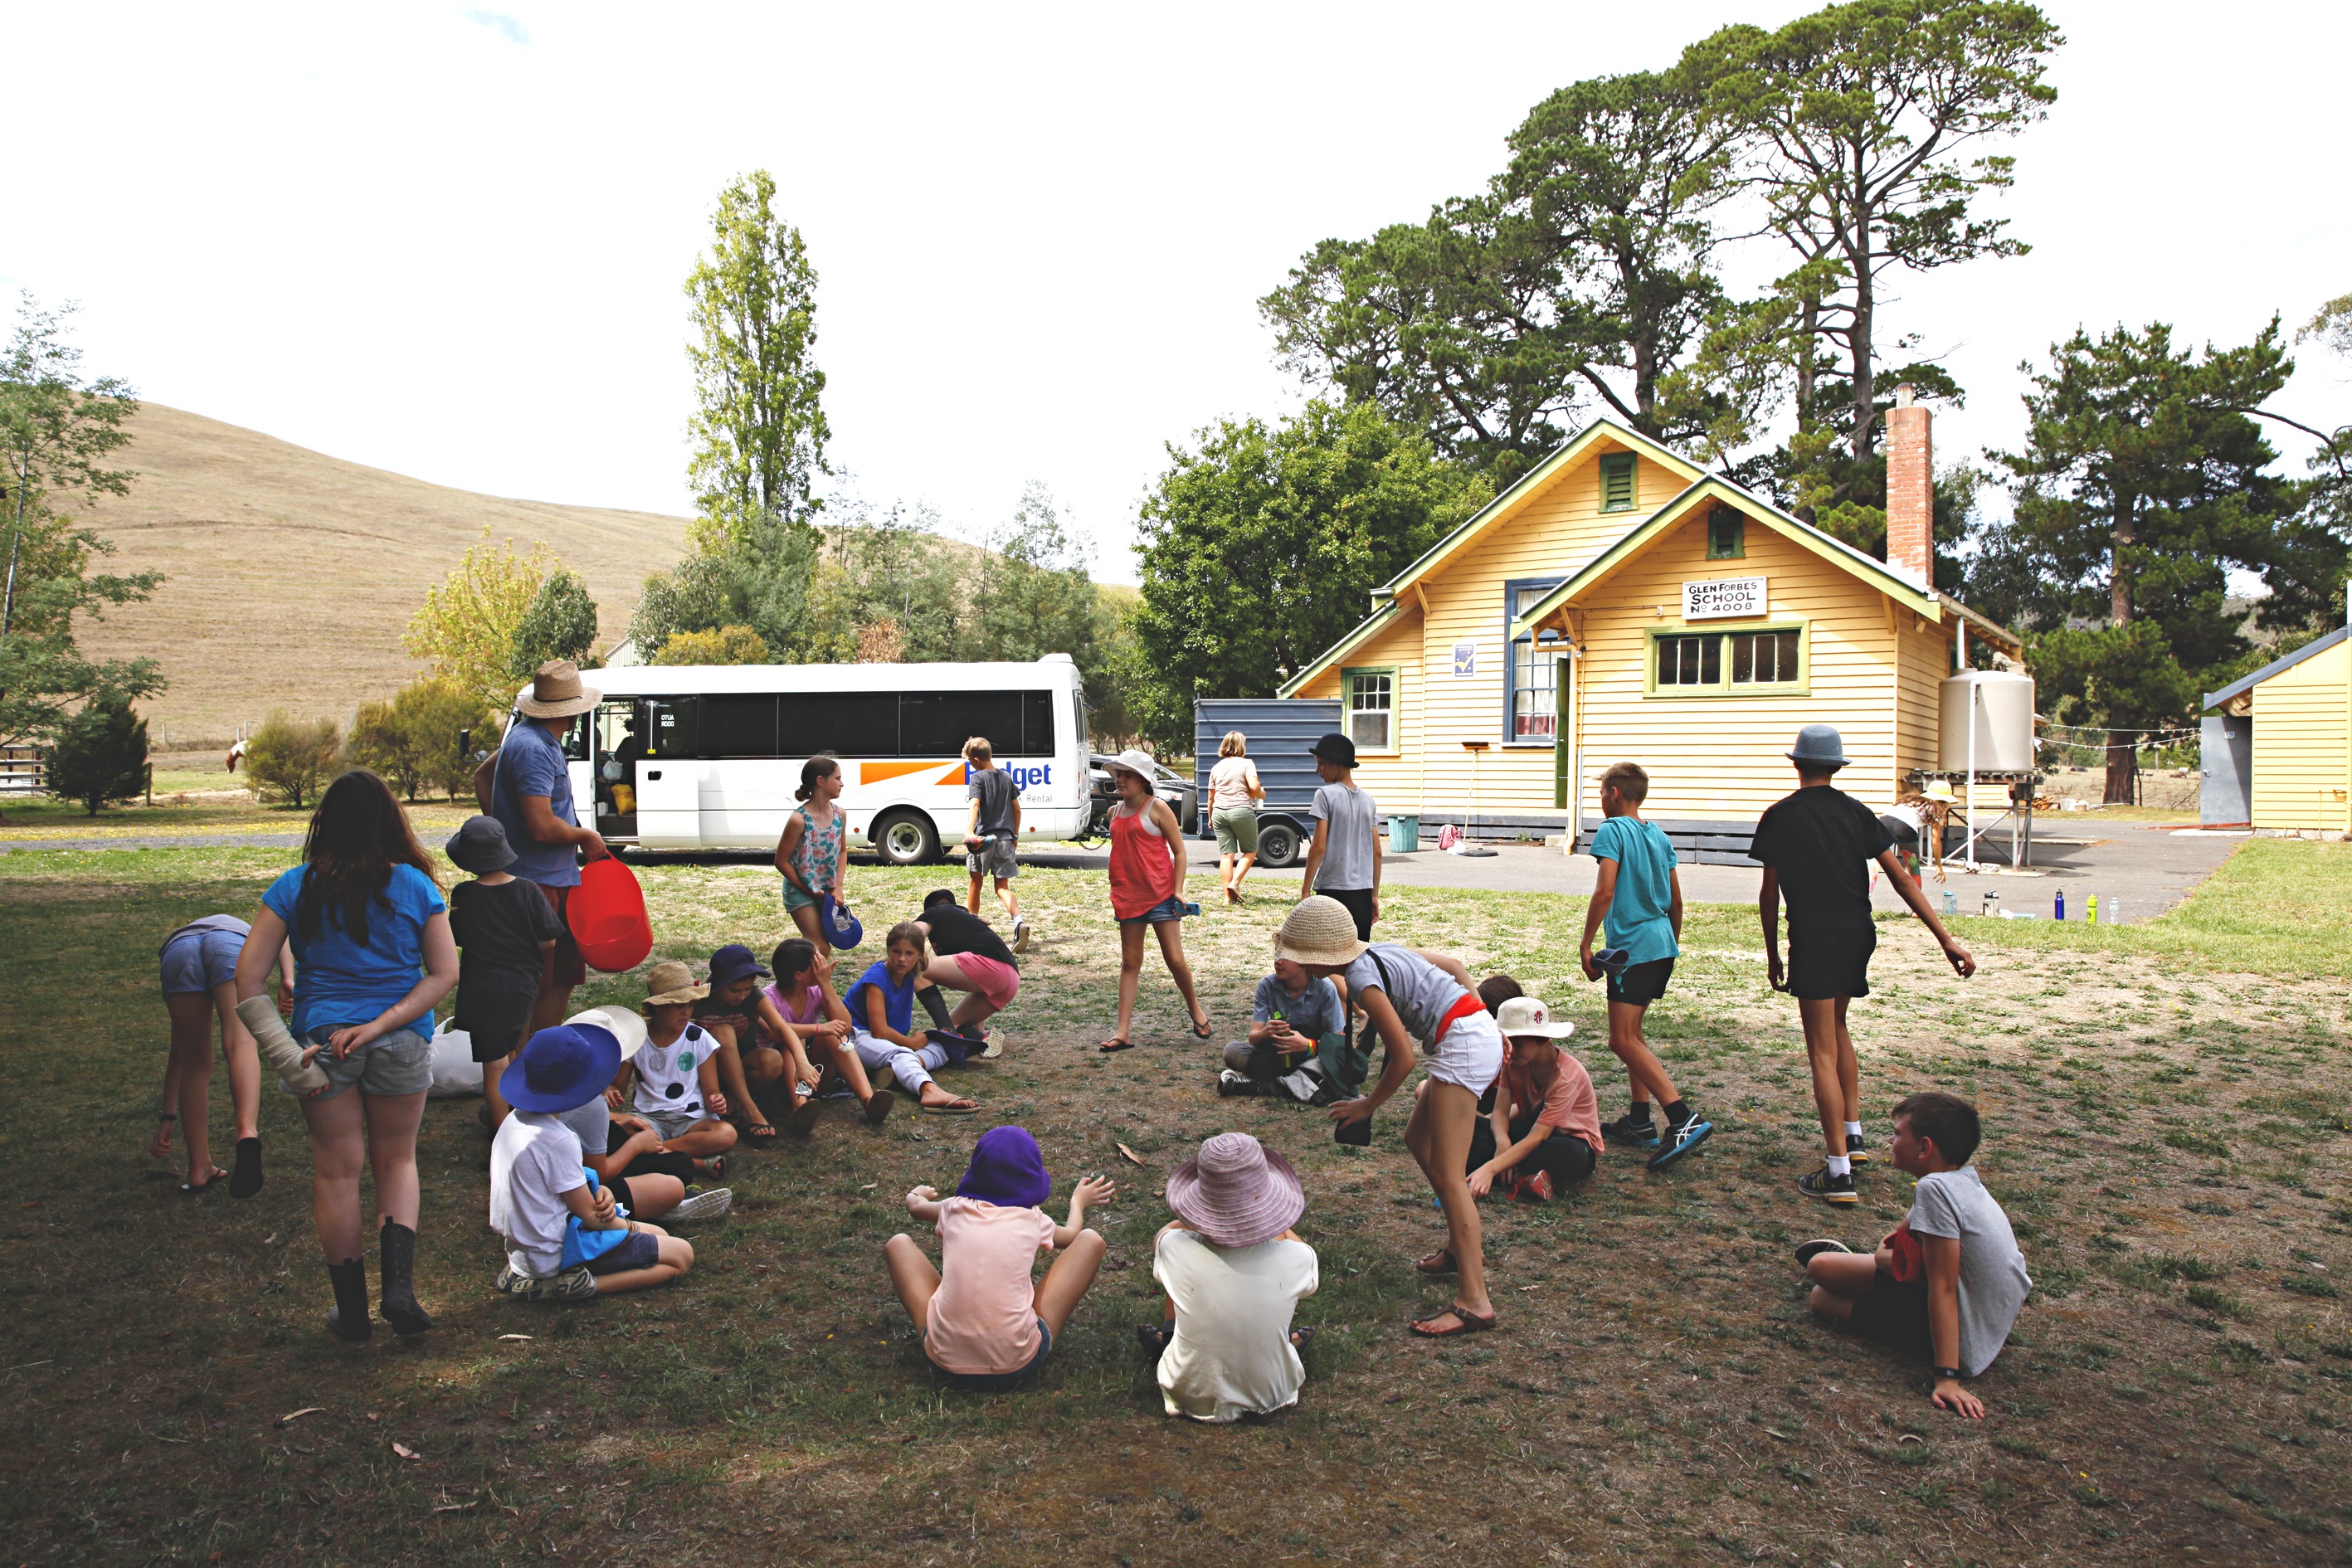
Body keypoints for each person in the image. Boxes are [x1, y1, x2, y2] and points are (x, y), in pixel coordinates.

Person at [234, 768, 459, 1343]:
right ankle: (399, 1290)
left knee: (336, 1171)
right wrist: (383, 1023)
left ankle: (352, 1312)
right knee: (397, 1161)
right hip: (402, 1040)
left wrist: (286, 1056)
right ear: (391, 821)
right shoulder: (415, 886)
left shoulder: (294, 886)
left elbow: (248, 979)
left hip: (320, 1043)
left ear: (325, 823)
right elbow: (444, 974)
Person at [1751, 726, 1976, 1205]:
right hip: (1857, 933)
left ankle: (1838, 1174)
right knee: (1838, 1025)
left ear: (1797, 764)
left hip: (1812, 935)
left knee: (1821, 1052)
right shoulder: (1858, 812)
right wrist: (1947, 940)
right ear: (1836, 767)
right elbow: (1901, 881)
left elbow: (1770, 894)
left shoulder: (1779, 815)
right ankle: (1853, 1138)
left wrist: (1773, 952)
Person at [1276, 896, 1502, 1338]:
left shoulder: (1361, 980)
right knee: (1418, 1140)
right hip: (1467, 1033)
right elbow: (1455, 965)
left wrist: (1368, 1105)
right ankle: (1460, 1248)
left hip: (1463, 1045)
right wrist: (1486, 1020)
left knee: (1449, 1174)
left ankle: (1475, 1302)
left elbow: (1403, 1059)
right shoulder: (1379, 951)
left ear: (1318, 960)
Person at [1796, 1092, 2030, 1419]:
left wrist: (1947, 1378)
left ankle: (1882, 1288)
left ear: (1924, 1148)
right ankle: (1879, 1276)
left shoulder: (1934, 1190)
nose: (1890, 1140)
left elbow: (1944, 1286)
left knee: (1821, 1295)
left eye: (1898, 1133)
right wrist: (1884, 1258)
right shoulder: (1959, 1180)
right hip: (1989, 1316)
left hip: (1967, 1332)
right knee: (1823, 1267)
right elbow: (1899, 1240)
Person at [883, 1126, 1116, 1390]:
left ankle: (947, 1337)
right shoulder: (1032, 1219)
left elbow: (915, 1208)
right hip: (1016, 1365)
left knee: (898, 1243)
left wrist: (916, 1194)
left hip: (943, 1362)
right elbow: (1073, 1234)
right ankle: (1021, 1339)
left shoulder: (954, 1208)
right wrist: (1078, 1201)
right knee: (1092, 1241)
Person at [490, 1022, 695, 1303]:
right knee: (681, 1255)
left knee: (659, 1232)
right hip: (557, 1253)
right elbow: (591, 1217)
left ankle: (539, 1276)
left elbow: (562, 1189)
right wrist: (628, 1228)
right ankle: (581, 1285)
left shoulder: (513, 1122)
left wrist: (604, 1192)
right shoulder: (558, 1139)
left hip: (525, 1253)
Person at [1580, 762, 1714, 1172]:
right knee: (1633, 1034)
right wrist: (1669, 941)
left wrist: (1586, 943)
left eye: (1602, 792)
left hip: (1633, 948)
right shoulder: (1659, 835)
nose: (1601, 800)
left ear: (1615, 793)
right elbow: (1676, 899)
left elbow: (1605, 891)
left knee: (1621, 1040)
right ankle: (1640, 1121)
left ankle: (1681, 1117)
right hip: (1661, 943)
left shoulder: (1612, 831)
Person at [472, 660, 609, 1043]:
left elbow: (482, 776)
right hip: (538, 884)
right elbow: (542, 826)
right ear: (574, 712)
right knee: (535, 982)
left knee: (561, 975)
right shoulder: (534, 749)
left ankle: (541, 1053)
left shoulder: (525, 737)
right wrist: (586, 836)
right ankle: (524, 1065)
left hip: (549, 877)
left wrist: (501, 831)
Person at [1139, 1132, 1318, 1422]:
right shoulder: (1299, 1258)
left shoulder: (1174, 1247)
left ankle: (1168, 1337)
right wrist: (1277, 1226)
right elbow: (1299, 1252)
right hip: (1274, 1394)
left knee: (1179, 1278)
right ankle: (1279, 1345)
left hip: (1191, 1396)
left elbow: (1164, 1236)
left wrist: (1191, 1219)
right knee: (1280, 1289)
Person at [553, 1004, 733, 1226]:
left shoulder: (557, 1088)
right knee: (675, 1181)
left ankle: (674, 1176)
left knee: (678, 1163)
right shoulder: (591, 1105)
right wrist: (637, 1146)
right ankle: (661, 1206)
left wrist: (622, 1120)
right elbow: (599, 1174)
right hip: (572, 1195)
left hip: (567, 1180)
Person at [155, 914, 293, 1198]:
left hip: (177, 951)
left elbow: (177, 1056)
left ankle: (199, 1167)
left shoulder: (188, 932)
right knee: (240, 1043)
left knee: (194, 1061)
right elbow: (281, 930)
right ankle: (246, 1131)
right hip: (230, 945)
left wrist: (167, 1117)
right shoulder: (242, 925)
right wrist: (288, 978)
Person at [444, 816, 562, 1132]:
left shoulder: (464, 894)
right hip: (522, 986)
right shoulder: (528, 890)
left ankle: (502, 1137)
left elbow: (457, 937)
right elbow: (550, 939)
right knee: (511, 1052)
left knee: (493, 1065)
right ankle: (518, 1118)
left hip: (482, 987)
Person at [1099, 748, 1209, 1052]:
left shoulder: (1157, 807)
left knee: (1174, 959)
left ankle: (1195, 1010)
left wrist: (1178, 890)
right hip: (1127, 897)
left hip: (1160, 894)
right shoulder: (1114, 813)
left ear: (1143, 780)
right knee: (1130, 963)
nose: (1119, 780)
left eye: (1126, 775)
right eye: (1118, 774)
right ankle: (1122, 1032)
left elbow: (1181, 851)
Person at [1463, 997, 1602, 1203]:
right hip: (1529, 1134)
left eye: (1518, 1044)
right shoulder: (1512, 1061)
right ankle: (1526, 1175)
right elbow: (1500, 1111)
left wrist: (1491, 1167)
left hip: (1566, 1141)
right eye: (1505, 1041)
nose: (1510, 1049)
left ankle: (1505, 1170)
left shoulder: (1566, 1076)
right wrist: (1503, 1142)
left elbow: (1538, 1137)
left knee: (1570, 1154)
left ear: (1542, 1039)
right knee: (1464, 1129)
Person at [606, 962, 739, 1167]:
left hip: (691, 1118)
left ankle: (655, 1149)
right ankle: (693, 1162)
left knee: (725, 1134)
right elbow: (618, 1088)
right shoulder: (637, 1039)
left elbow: (711, 1092)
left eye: (690, 1005)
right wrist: (610, 1091)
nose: (686, 1012)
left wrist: (717, 1100)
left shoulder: (699, 1038)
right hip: (649, 1118)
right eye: (679, 1006)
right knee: (602, 1119)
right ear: (658, 1008)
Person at [845, 923, 981, 1113]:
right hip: (856, 1037)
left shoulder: (911, 973)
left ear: (918, 954)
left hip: (881, 1042)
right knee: (902, 1053)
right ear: (888, 950)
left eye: (909, 953)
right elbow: (879, 1031)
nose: (901, 959)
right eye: (896, 952)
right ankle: (929, 1090)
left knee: (942, 1044)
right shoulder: (876, 978)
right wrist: (911, 1043)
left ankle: (899, 1070)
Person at [759, 938, 894, 1127]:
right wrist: (817, 1029)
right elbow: (772, 1033)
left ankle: (869, 1101)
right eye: (817, 963)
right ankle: (799, 1108)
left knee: (836, 1035)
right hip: (778, 1076)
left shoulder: (814, 990)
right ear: (799, 975)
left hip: (812, 1075)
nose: (823, 966)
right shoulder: (768, 998)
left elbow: (845, 1025)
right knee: (793, 1041)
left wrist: (825, 985)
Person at [691, 943, 816, 1145]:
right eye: (734, 990)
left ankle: (733, 1100)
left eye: (748, 989)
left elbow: (783, 1028)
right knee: (724, 1032)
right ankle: (751, 1111)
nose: (742, 996)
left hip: (744, 1066)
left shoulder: (754, 998)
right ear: (719, 984)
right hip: (709, 1073)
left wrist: (802, 1062)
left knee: (772, 1060)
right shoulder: (699, 1000)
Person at [1217, 950, 1349, 1098]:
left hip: (1312, 1055)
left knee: (1338, 1061)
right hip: (1278, 1054)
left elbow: (1339, 1042)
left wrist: (1308, 1045)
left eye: (1285, 957)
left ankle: (1264, 1086)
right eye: (1276, 956)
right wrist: (1266, 1032)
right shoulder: (1267, 985)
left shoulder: (1325, 988)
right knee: (1232, 1052)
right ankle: (1298, 1083)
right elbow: (1253, 1038)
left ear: (1303, 961)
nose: (1277, 962)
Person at [1298, 733, 1381, 941]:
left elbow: (1318, 846)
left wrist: (1306, 890)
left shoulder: (1325, 795)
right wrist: (1374, 895)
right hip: (1363, 891)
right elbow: (1377, 853)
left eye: (1321, 764)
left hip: (1332, 889)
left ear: (1339, 764)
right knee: (1358, 955)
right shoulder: (1368, 800)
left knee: (1329, 955)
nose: (1317, 770)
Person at [914, 888, 1020, 1043]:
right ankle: (983, 1040)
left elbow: (912, 935)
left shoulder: (936, 912)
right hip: (1010, 977)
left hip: (989, 967)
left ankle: (946, 1029)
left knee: (916, 969)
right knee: (956, 1023)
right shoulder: (968, 921)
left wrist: (890, 962)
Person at [775, 754, 853, 957]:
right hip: (800, 892)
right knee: (821, 947)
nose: (842, 783)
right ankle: (803, 987)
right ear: (820, 781)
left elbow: (843, 851)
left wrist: (838, 887)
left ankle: (800, 984)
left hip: (826, 892)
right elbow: (781, 861)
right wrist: (807, 889)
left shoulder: (840, 814)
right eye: (837, 778)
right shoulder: (799, 820)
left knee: (817, 948)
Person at [961, 736, 1029, 952]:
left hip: (983, 841)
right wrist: (1014, 835)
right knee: (1002, 886)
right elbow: (1017, 809)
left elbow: (975, 805)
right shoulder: (1006, 777)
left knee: (975, 883)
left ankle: (970, 929)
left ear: (976, 760)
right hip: (1006, 839)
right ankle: (1018, 920)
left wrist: (970, 830)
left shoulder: (977, 777)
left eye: (970, 761)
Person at [1207, 730, 1264, 905]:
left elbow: (1211, 797)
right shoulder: (1247, 763)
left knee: (1226, 855)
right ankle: (1235, 883)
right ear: (1241, 746)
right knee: (1251, 851)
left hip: (1219, 812)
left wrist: (1210, 818)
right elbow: (1254, 787)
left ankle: (1227, 898)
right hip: (1240, 810)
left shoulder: (1216, 767)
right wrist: (1261, 793)